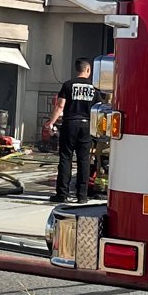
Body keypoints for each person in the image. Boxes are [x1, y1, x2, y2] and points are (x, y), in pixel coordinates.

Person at [48, 58, 99, 204]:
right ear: (88, 70)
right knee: (84, 160)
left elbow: (60, 106)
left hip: (69, 124)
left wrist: (51, 123)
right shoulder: (94, 88)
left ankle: (62, 194)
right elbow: (98, 109)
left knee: (65, 158)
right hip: (87, 126)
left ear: (77, 69)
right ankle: (82, 196)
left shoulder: (68, 85)